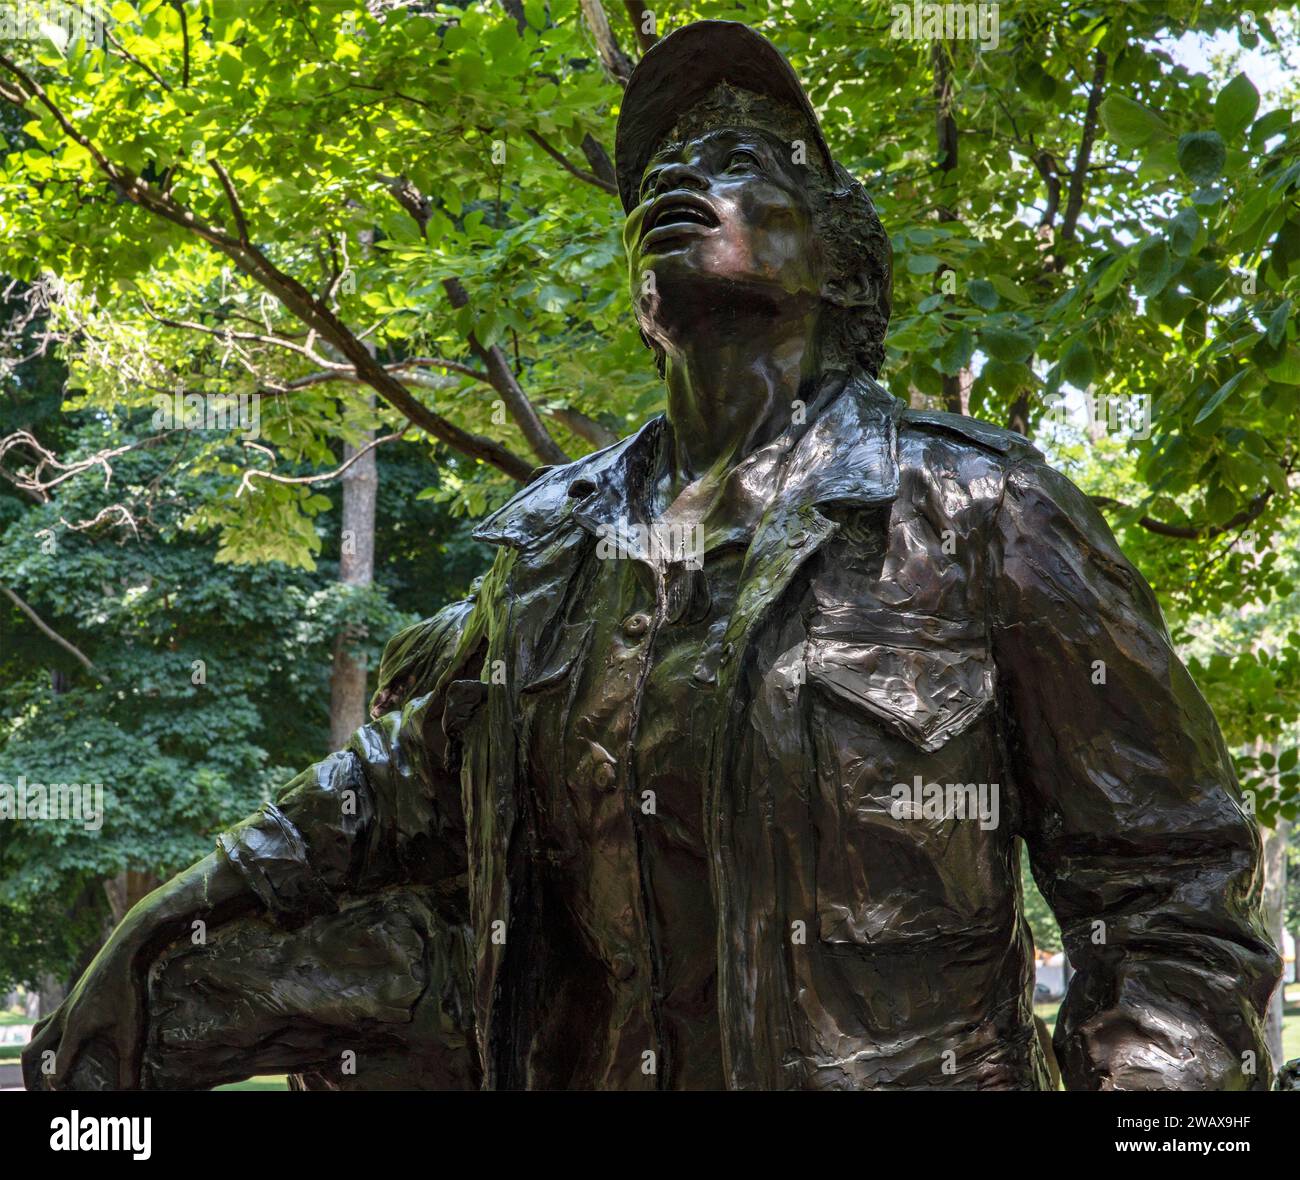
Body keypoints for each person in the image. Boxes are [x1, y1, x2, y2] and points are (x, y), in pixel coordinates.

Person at [25, 20, 1278, 1092]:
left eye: (740, 164)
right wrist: (172, 912)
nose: (686, 180)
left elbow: (1178, 905)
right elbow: (395, 787)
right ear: (639, 293)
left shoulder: (975, 508)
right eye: (664, 175)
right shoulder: (553, 552)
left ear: (839, 254)